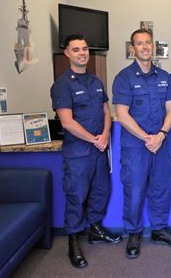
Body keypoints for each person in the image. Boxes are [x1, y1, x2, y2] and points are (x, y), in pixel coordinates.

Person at [50, 34, 122, 269]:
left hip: (99, 150)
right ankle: (73, 242)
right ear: (68, 54)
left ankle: (96, 230)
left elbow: (105, 112)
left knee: (100, 192)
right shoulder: (62, 85)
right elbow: (67, 122)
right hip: (78, 154)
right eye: (76, 49)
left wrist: (104, 135)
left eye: (85, 49)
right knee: (76, 197)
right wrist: (94, 139)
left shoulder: (96, 82)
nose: (82, 53)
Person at [112, 28, 171, 260]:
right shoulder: (124, 77)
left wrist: (161, 135)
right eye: (140, 44)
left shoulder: (164, 77)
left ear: (153, 47)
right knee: (134, 190)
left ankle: (159, 230)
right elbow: (122, 115)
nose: (144, 47)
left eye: (148, 43)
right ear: (132, 48)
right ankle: (133, 233)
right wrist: (147, 138)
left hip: (161, 143)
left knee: (161, 187)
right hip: (136, 146)